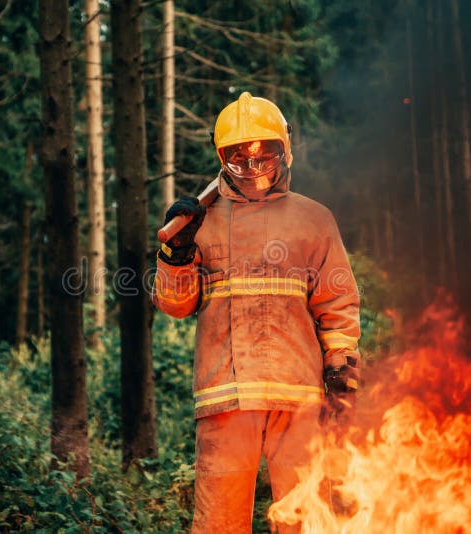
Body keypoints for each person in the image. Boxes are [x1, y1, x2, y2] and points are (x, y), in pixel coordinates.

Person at [153, 92, 360, 533]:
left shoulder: (313, 219)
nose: (253, 168)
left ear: (284, 150)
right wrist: (177, 254)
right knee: (218, 525)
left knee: (306, 521)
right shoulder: (198, 223)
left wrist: (342, 367)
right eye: (240, 160)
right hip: (226, 399)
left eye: (264, 156)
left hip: (297, 397)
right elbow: (175, 305)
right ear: (222, 158)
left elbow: (337, 302)